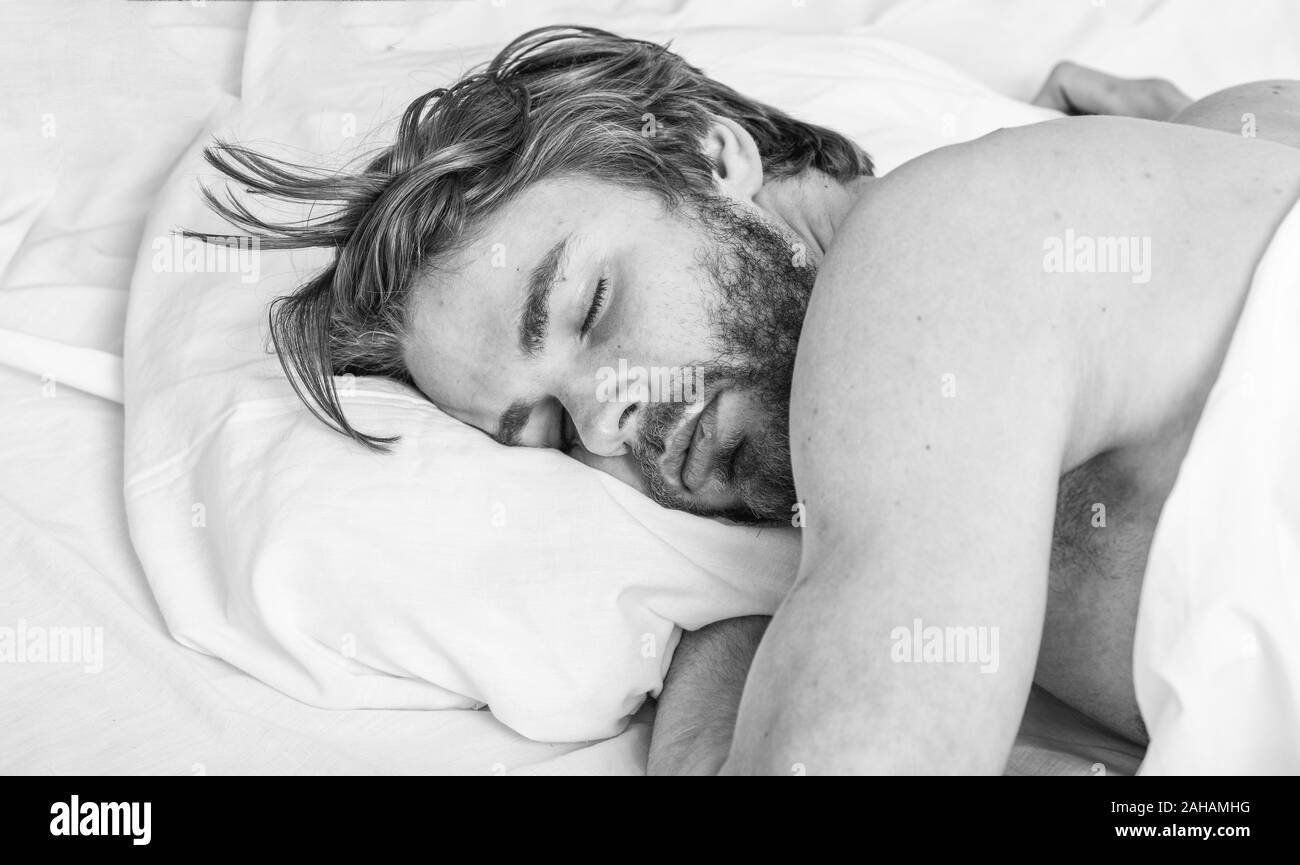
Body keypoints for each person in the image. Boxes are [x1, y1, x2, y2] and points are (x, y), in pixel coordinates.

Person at [192, 26, 1300, 773]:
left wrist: (715, 682)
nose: (604, 422)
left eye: (586, 306)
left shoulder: (934, 254)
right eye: (541, 430)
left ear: (711, 155)